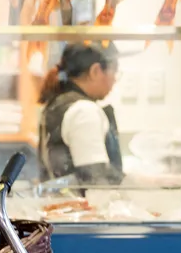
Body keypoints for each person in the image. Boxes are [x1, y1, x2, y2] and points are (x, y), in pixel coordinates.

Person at [38, 42, 123, 187]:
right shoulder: (84, 111)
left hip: (62, 203)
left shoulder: (59, 101)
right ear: (95, 71)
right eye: (114, 71)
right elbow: (95, 182)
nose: (114, 79)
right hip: (81, 206)